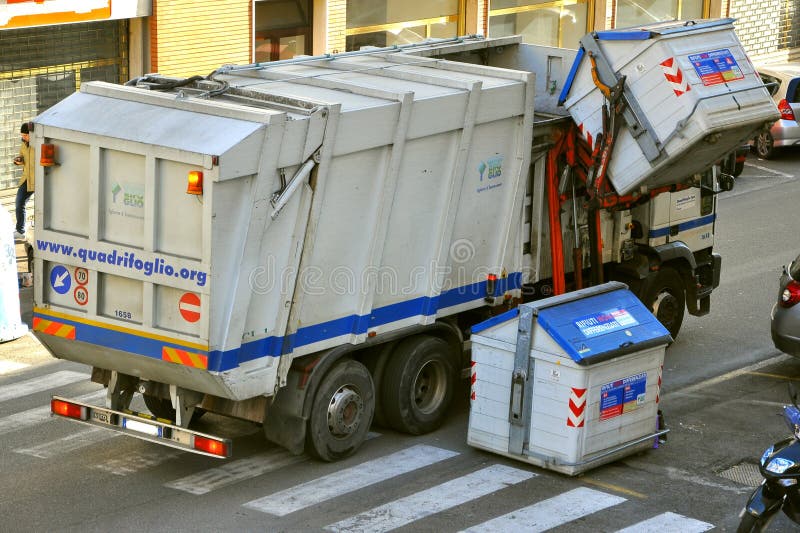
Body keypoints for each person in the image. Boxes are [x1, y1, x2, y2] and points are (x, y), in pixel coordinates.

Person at [13, 122, 34, 240]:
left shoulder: (38, 144)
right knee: (19, 203)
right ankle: (20, 231)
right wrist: (18, 160)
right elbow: (22, 157)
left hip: (40, 179)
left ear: (31, 134)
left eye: (25, 135)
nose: (23, 137)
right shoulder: (23, 144)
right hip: (27, 178)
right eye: (22, 135)